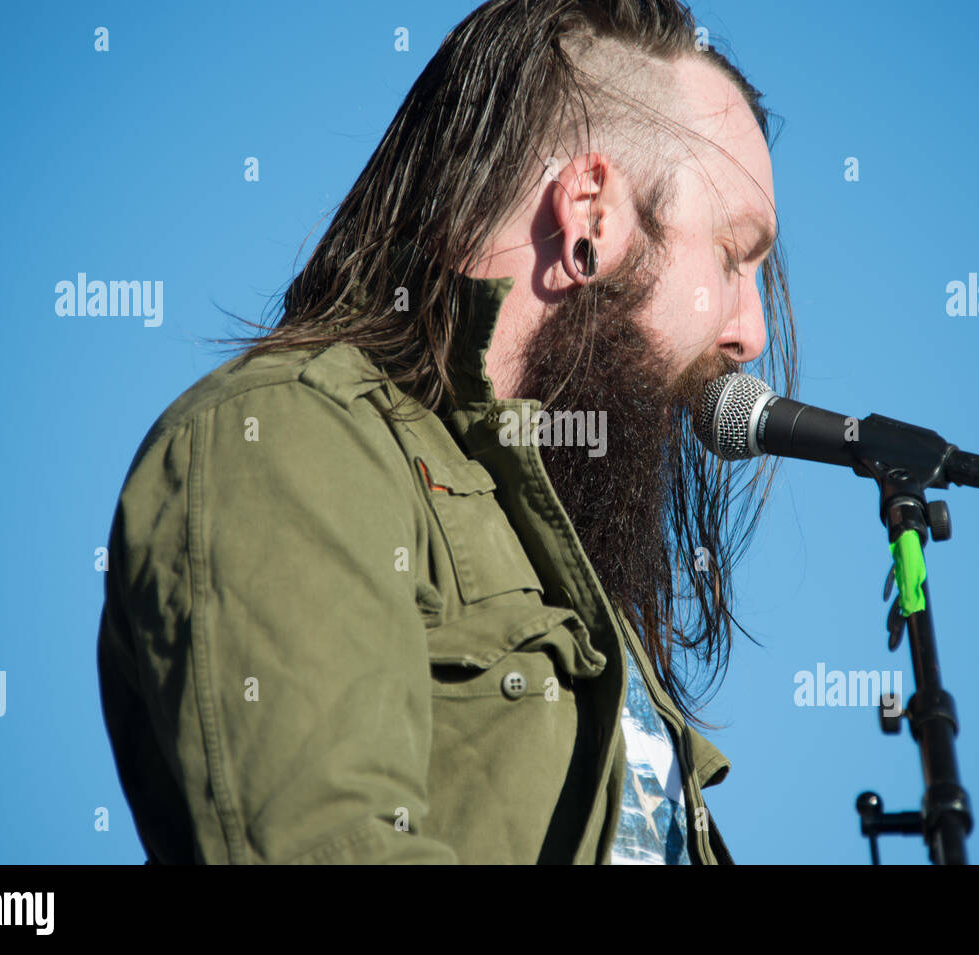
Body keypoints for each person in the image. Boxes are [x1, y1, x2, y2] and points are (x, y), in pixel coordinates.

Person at [96, 0, 795, 865]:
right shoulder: (288, 438)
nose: (750, 333)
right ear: (589, 216)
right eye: (733, 253)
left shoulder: (564, 567)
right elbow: (335, 846)